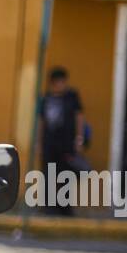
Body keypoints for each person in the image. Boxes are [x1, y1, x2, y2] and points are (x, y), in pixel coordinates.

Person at [37, 67, 85, 215]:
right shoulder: (46, 99)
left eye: (64, 82)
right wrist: (38, 143)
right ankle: (48, 206)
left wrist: (79, 137)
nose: (62, 84)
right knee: (49, 175)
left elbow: (79, 117)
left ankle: (65, 207)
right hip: (49, 144)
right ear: (53, 83)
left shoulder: (72, 97)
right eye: (59, 82)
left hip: (67, 144)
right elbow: (41, 122)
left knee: (66, 175)